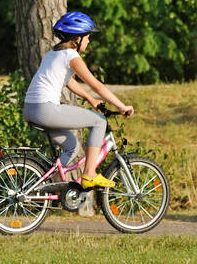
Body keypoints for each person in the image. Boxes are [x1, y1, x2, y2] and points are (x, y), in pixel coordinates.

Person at [23, 11, 133, 189]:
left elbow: (69, 81)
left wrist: (89, 99)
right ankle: (89, 174)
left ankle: (50, 185)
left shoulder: (54, 53)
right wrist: (121, 106)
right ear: (77, 39)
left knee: (71, 147)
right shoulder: (71, 56)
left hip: (32, 109)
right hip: (45, 109)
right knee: (99, 121)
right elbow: (97, 85)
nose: (89, 41)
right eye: (87, 37)